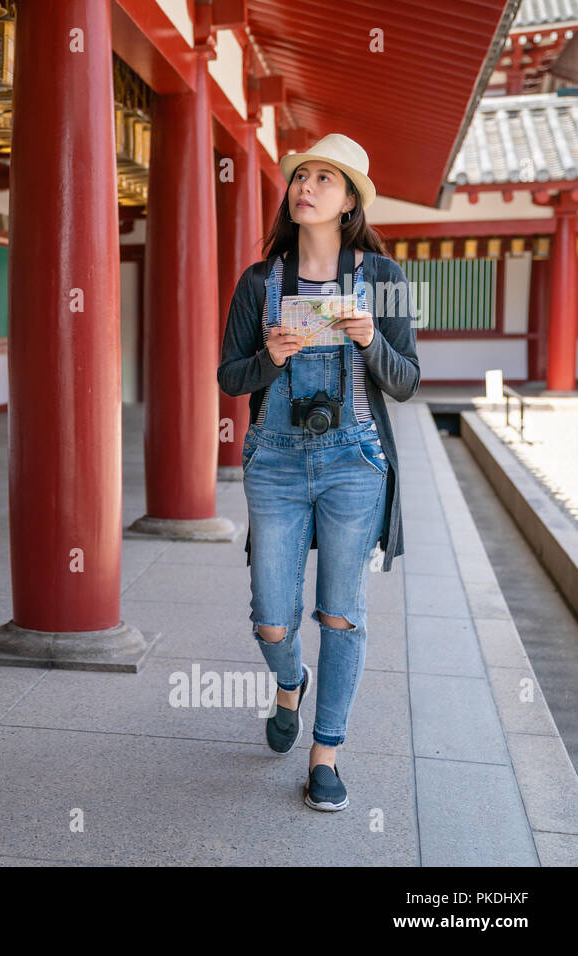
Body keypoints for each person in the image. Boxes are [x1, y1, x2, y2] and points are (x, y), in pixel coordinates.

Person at [217, 133, 420, 812]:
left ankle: (326, 752)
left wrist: (371, 339)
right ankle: (288, 682)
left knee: (341, 614)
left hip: (354, 461)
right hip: (275, 459)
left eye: (324, 179)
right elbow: (229, 377)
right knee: (273, 619)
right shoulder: (259, 281)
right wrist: (270, 358)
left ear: (350, 200)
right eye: (301, 175)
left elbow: (407, 383)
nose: (306, 186)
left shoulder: (383, 280)